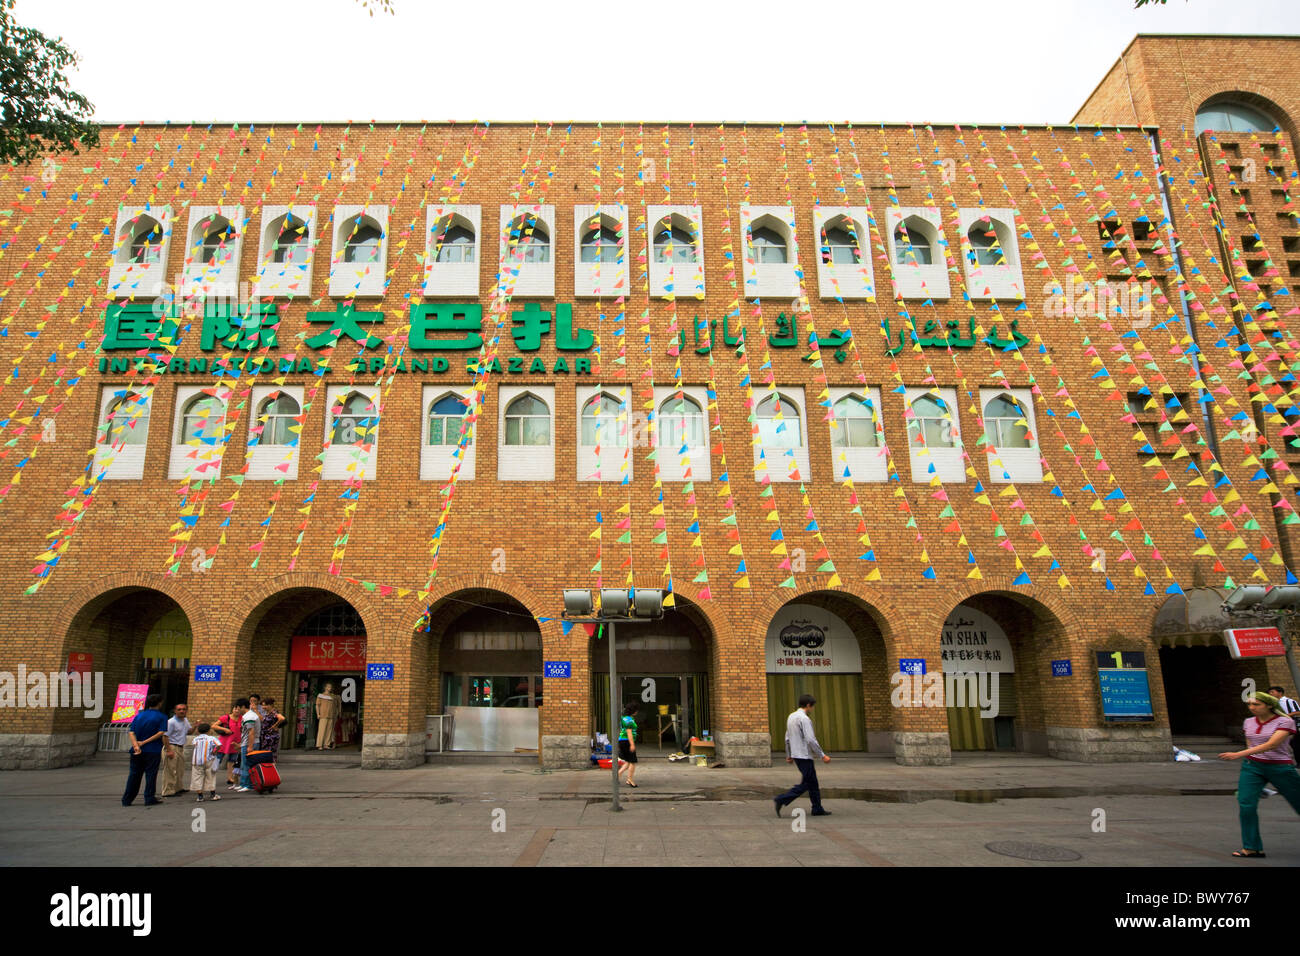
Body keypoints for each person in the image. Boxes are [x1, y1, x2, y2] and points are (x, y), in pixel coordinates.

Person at [1218, 691, 1300, 857]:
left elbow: (1272, 744)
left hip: (1280, 767)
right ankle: (1252, 847)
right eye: (1249, 704)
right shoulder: (1248, 722)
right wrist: (1248, 756)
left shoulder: (1285, 721)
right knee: (1246, 803)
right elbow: (1251, 743)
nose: (1252, 708)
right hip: (1252, 767)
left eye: (1256, 704)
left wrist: (1238, 754)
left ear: (1269, 705)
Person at [774, 693, 832, 818]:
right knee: (807, 783)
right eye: (812, 706)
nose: (812, 709)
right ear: (808, 705)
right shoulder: (804, 719)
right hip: (804, 755)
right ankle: (782, 799)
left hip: (796, 754)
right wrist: (822, 755)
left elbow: (787, 737)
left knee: (813, 783)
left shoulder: (791, 716)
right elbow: (811, 739)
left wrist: (789, 754)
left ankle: (817, 808)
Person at [122, 694, 168, 807]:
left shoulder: (139, 715)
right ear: (160, 703)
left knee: (134, 774)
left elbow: (132, 732)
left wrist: (136, 745)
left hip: (137, 750)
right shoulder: (162, 717)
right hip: (153, 750)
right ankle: (149, 798)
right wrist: (144, 742)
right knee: (151, 775)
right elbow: (161, 732)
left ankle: (127, 799)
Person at [161, 702, 193, 797]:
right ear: (175, 711)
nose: (182, 711)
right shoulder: (171, 722)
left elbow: (189, 732)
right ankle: (168, 791)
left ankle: (178, 788)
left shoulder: (185, 720)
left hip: (180, 747)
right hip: (171, 746)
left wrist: (195, 726)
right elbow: (165, 736)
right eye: (179, 709)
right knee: (170, 770)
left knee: (179, 769)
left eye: (184, 709)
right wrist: (169, 750)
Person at [190, 722, 221, 803]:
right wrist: (214, 752)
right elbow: (219, 745)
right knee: (210, 776)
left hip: (196, 761)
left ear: (198, 731)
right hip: (209, 759)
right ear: (209, 731)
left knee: (197, 777)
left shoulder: (195, 739)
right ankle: (213, 795)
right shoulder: (211, 738)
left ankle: (200, 796)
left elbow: (194, 745)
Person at [235, 698, 259, 793]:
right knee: (243, 765)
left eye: (238, 708)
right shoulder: (248, 716)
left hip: (250, 743)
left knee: (247, 765)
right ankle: (243, 784)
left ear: (243, 707)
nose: (237, 710)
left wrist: (250, 746)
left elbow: (251, 732)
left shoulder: (249, 717)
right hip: (246, 743)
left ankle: (248, 785)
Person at [213, 706, 240, 789]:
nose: (237, 711)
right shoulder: (226, 717)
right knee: (218, 759)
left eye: (239, 709)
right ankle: (211, 777)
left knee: (232, 760)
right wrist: (225, 729)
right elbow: (214, 726)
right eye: (235, 709)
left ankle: (230, 778)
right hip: (224, 743)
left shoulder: (242, 718)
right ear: (232, 709)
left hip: (235, 743)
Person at [617, 703, 639, 788]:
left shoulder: (625, 718)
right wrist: (632, 744)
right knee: (633, 762)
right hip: (627, 741)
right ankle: (630, 780)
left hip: (623, 741)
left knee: (627, 761)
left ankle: (618, 776)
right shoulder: (629, 720)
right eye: (636, 710)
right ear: (633, 711)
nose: (637, 711)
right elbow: (629, 732)